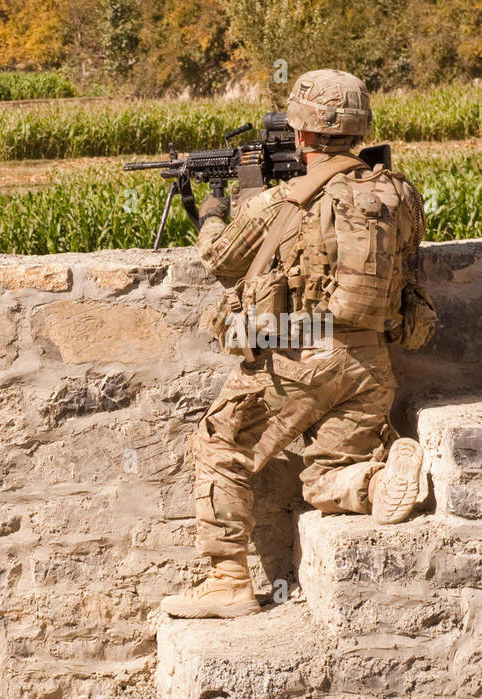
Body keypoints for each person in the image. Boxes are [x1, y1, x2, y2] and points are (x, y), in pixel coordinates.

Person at [162, 69, 430, 619]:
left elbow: (222, 261)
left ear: (302, 133)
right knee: (325, 474)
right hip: (372, 360)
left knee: (220, 447)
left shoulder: (281, 202)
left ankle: (228, 581)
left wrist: (215, 210)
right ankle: (376, 481)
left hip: (302, 354)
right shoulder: (399, 193)